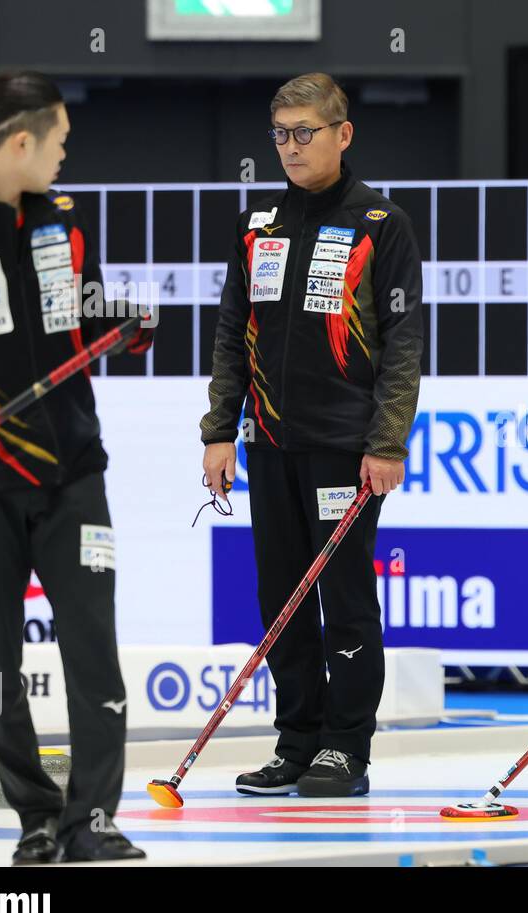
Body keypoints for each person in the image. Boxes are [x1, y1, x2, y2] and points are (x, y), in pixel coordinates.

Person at [0, 71, 152, 863]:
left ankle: (93, 821)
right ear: (21, 142)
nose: (66, 154)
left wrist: (126, 329)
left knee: (92, 653)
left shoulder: (66, 221)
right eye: (60, 140)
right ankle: (38, 819)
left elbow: (84, 319)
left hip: (75, 472)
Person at [200, 73, 423, 798]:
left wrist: (386, 442)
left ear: (343, 134)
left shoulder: (380, 224)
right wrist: (219, 430)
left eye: (306, 133)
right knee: (281, 598)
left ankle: (346, 748)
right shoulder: (255, 222)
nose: (291, 148)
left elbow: (403, 345)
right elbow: (233, 332)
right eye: (281, 134)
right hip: (268, 443)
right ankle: (296, 741)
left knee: (345, 597)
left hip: (345, 450)